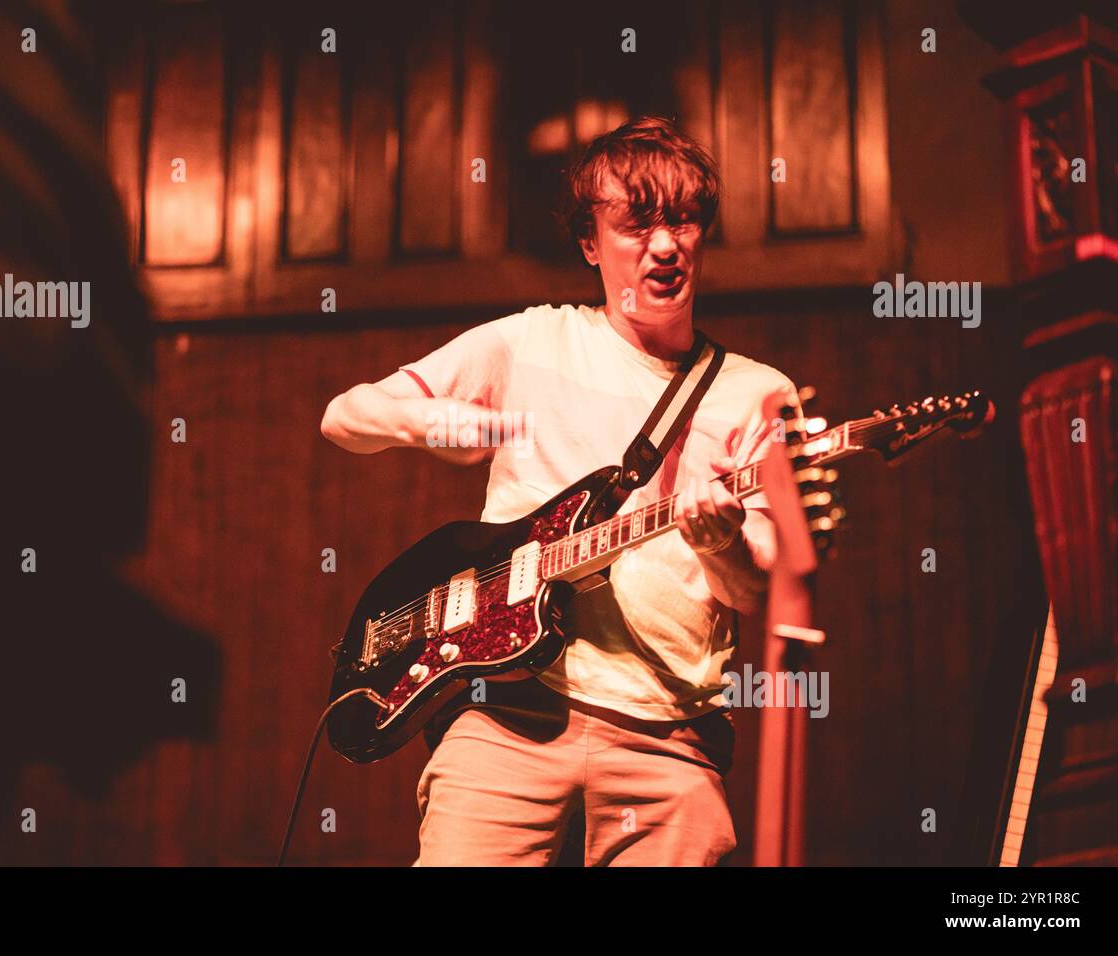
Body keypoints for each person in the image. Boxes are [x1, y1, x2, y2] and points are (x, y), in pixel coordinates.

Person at [321, 116, 795, 866]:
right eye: (636, 224)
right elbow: (344, 416)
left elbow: (755, 588)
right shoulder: (531, 341)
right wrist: (434, 420)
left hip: (668, 738)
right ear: (589, 243)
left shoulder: (760, 394)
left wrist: (721, 543)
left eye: (682, 220)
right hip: (506, 715)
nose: (665, 246)